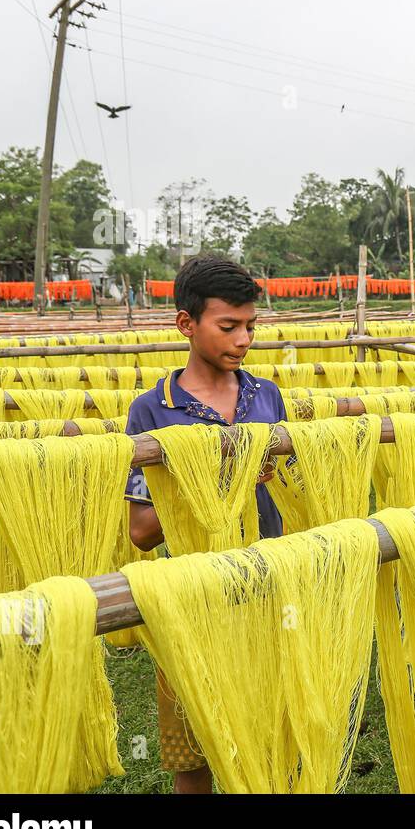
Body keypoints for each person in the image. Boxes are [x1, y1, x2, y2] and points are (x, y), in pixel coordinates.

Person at [124, 254, 287, 793]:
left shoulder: (266, 397)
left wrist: (260, 478)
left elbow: (284, 484)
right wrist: (217, 483)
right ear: (186, 324)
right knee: (190, 747)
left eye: (250, 327)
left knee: (267, 730)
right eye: (228, 326)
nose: (243, 340)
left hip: (267, 580)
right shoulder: (152, 411)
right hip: (190, 595)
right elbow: (143, 531)